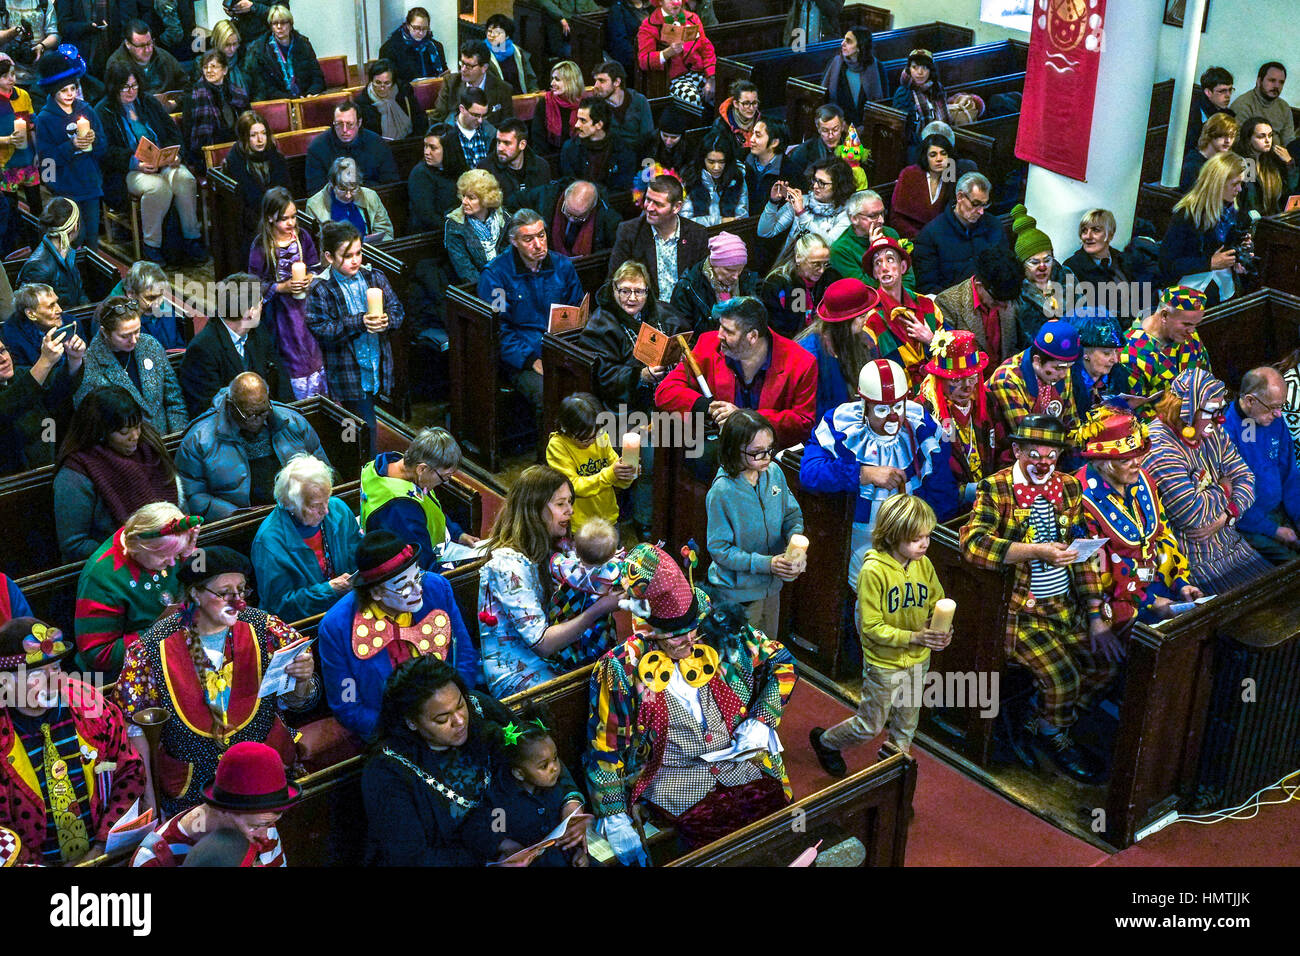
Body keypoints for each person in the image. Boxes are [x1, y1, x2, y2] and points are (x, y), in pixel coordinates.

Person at [586, 543, 792, 862]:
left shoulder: (718, 630)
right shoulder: (622, 668)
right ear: (650, 631)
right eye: (676, 637)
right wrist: (614, 816)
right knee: (717, 844)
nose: (690, 641)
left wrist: (761, 720)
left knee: (775, 819)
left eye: (693, 629)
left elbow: (782, 662)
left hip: (736, 763)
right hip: (671, 777)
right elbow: (605, 745)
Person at [959, 413, 1116, 783]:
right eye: (1034, 455)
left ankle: (1038, 719)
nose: (1043, 464)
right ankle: (1052, 735)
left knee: (1106, 664)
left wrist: (1096, 613)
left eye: (1051, 456)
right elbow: (972, 544)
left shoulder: (1069, 489)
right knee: (1064, 679)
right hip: (1019, 613)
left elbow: (1084, 554)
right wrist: (1034, 551)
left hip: (1063, 607)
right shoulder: (995, 488)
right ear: (1016, 450)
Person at [116, 546, 317, 817]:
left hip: (267, 779)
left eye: (242, 590)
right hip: (194, 795)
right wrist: (151, 806)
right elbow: (137, 733)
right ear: (195, 594)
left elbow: (300, 701)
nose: (238, 602)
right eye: (224, 593)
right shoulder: (150, 650)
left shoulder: (267, 629)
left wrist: (303, 682)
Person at [809, 494, 949, 776]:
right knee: (870, 725)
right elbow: (872, 628)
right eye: (916, 538)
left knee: (906, 727)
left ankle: (891, 782)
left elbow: (937, 602)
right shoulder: (873, 571)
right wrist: (915, 637)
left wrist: (942, 630)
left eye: (927, 536)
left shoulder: (924, 564)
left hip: (918, 660)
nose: (924, 544)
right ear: (893, 535)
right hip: (884, 662)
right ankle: (826, 741)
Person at [801, 357, 958, 589]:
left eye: (898, 406)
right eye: (882, 409)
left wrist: (928, 535)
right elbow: (809, 472)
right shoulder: (840, 426)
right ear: (864, 404)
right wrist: (863, 474)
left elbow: (942, 487)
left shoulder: (923, 427)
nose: (893, 417)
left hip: (911, 539)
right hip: (861, 538)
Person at [0, 617, 145, 866]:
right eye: (36, 674)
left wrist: (100, 848)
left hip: (104, 857)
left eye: (55, 668)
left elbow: (130, 773)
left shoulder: (93, 707)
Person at [477, 465, 625, 698]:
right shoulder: (507, 566)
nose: (570, 511)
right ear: (534, 510)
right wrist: (599, 609)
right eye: (561, 504)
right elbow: (542, 643)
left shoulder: (552, 546)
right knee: (603, 692)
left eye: (570, 502)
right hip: (519, 672)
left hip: (555, 658)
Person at [319, 531, 479, 741]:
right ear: (376, 593)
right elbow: (348, 705)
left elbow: (464, 655)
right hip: (390, 734)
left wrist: (456, 708)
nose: (418, 590)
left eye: (418, 576)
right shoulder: (336, 628)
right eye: (404, 586)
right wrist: (405, 732)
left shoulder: (436, 588)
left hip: (455, 716)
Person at [361, 655, 514, 866]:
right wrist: (491, 860)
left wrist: (570, 803)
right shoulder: (386, 770)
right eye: (442, 719)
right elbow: (411, 858)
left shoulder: (478, 707)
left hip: (513, 841)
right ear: (412, 722)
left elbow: (535, 750)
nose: (460, 721)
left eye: (460, 705)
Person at [1144, 368, 1272, 594]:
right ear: (1186, 410)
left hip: (1233, 544)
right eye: (1212, 411)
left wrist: (1227, 515)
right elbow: (1195, 517)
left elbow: (1247, 478)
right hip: (1195, 564)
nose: (1220, 418)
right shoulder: (1159, 448)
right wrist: (1225, 487)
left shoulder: (1213, 432)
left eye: (1221, 410)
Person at [1075, 406, 1201, 633]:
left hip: (1158, 583)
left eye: (1139, 455)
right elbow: (1095, 570)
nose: (1138, 464)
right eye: (1126, 461)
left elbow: (1163, 534)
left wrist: (1180, 582)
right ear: (1102, 462)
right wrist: (1151, 601)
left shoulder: (1143, 479)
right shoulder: (1079, 499)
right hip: (1114, 599)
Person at [656, 296, 819, 449]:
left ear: (753, 336)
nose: (719, 335)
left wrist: (745, 419)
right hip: (724, 447)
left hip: (768, 451)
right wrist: (709, 408)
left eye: (728, 331)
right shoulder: (708, 343)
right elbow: (665, 391)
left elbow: (803, 423)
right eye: (720, 326)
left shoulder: (802, 362)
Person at [705, 409, 804, 638]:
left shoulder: (774, 473)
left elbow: (792, 515)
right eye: (757, 453)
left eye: (770, 449)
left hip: (772, 588)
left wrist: (794, 545)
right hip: (738, 595)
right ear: (733, 450)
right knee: (743, 661)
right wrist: (766, 564)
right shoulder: (722, 492)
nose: (767, 458)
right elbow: (720, 550)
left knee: (769, 651)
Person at [54, 385, 181, 562]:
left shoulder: (149, 445)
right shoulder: (74, 475)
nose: (135, 436)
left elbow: (178, 502)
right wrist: (135, 551)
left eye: (137, 427)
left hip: (166, 553)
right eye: (124, 432)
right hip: (116, 566)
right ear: (101, 433)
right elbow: (74, 545)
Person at [73, 503, 202, 676]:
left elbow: (204, 583)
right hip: (127, 674)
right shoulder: (102, 577)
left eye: (177, 555)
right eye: (163, 557)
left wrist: (189, 555)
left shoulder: (169, 547)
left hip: (176, 648)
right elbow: (97, 654)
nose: (172, 563)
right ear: (136, 548)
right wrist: (160, 630)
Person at [97, 58, 203, 266]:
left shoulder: (148, 102)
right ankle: (151, 246)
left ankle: (192, 238)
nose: (131, 91)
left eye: (134, 85)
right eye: (125, 87)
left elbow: (173, 133)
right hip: (128, 170)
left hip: (160, 162)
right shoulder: (103, 111)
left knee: (185, 178)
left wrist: (174, 154)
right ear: (114, 87)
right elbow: (105, 152)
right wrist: (133, 162)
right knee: (157, 188)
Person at [177, 372, 325, 520]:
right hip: (238, 525)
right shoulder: (198, 440)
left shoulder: (293, 422)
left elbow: (322, 469)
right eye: (250, 414)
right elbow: (193, 496)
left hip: (296, 512)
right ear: (231, 405)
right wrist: (238, 516)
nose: (258, 420)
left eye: (263, 412)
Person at [477, 209, 584, 409]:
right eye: (528, 239)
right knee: (548, 394)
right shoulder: (495, 276)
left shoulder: (563, 266)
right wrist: (530, 360)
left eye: (541, 235)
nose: (538, 245)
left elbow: (576, 308)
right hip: (521, 358)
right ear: (514, 241)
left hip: (561, 348)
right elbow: (499, 329)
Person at [131, 740, 299, 866]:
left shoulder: (263, 826)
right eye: (255, 826)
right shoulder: (151, 859)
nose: (265, 836)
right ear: (222, 809)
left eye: (269, 823)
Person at [461, 703, 589, 866]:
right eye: (544, 766)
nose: (555, 768)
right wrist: (505, 844)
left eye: (555, 758)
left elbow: (570, 833)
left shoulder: (556, 788)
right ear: (519, 773)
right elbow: (493, 832)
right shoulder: (502, 803)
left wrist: (579, 852)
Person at [305, 220, 404, 428]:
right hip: (347, 373)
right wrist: (359, 322)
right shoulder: (321, 288)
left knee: (369, 422)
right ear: (329, 257)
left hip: (378, 366)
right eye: (347, 256)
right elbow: (321, 330)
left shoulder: (374, 277)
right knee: (361, 428)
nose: (355, 260)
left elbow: (397, 310)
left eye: (358, 253)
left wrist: (387, 320)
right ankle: (364, 459)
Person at [252, 453, 362, 623]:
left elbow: (359, 558)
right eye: (315, 506)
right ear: (290, 504)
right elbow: (279, 606)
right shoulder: (269, 542)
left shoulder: (338, 509)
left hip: (351, 608)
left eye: (327, 499)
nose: (326, 510)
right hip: (308, 624)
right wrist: (328, 590)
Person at [361, 426, 480, 569]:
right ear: (422, 469)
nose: (445, 482)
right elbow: (424, 567)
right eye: (444, 477)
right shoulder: (401, 509)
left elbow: (428, 505)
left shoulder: (392, 462)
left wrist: (457, 533)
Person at [249, 187, 327, 400]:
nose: (291, 223)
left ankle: (319, 394)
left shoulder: (301, 237)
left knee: (313, 347)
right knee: (291, 350)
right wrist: (282, 287)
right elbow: (254, 284)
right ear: (270, 218)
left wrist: (309, 278)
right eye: (285, 218)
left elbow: (315, 267)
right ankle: (299, 397)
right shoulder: (261, 245)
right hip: (280, 312)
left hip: (306, 305)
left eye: (293, 216)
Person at [581, 259, 690, 412]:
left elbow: (687, 342)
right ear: (614, 289)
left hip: (672, 392)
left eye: (638, 291)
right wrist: (641, 376)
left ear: (647, 291)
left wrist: (682, 356)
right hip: (628, 407)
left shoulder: (662, 312)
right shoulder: (600, 326)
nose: (632, 298)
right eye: (625, 291)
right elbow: (603, 377)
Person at [179, 274, 288, 419]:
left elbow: (280, 378)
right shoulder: (202, 350)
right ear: (250, 312)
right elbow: (208, 410)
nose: (262, 306)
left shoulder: (258, 331)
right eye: (260, 302)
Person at [75, 296, 187, 434]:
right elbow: (93, 421)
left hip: (165, 439)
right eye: (125, 336)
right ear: (104, 332)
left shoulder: (150, 344)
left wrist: (177, 437)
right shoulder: (90, 363)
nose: (134, 340)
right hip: (126, 447)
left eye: (137, 331)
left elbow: (174, 398)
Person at [1224, 367, 1300, 565]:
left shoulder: (1274, 421)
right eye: (1272, 407)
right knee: (1293, 569)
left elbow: (1289, 473)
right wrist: (1273, 530)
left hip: (1280, 509)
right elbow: (1232, 502)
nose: (1278, 414)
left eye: (1281, 406)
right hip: (1250, 523)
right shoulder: (1226, 432)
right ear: (1250, 400)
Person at [34, 47, 107, 250]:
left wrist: (94, 141)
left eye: (73, 89)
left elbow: (103, 147)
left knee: (92, 239)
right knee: (73, 240)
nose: (70, 94)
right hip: (65, 188)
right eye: (63, 91)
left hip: (89, 185)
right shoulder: (45, 119)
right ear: (53, 91)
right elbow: (46, 162)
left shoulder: (87, 110)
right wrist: (70, 145)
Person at [917, 329, 993, 507]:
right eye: (957, 380)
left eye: (972, 377)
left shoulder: (988, 401)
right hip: (948, 507)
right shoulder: (925, 413)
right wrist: (965, 492)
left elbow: (1003, 448)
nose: (967, 387)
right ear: (939, 379)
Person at [1159, 151, 1249, 300]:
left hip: (1224, 289)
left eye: (1241, 183)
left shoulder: (1232, 211)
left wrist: (1239, 257)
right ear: (1217, 184)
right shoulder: (1187, 214)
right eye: (1235, 184)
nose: (1239, 189)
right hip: (1190, 291)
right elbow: (1168, 264)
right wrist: (1209, 263)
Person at [608, 173, 709, 304]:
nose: (649, 208)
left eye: (658, 204)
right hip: (645, 311)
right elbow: (613, 281)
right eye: (648, 200)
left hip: (685, 312)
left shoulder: (696, 234)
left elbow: (702, 284)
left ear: (676, 207)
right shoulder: (629, 232)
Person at [989, 320, 1084, 457]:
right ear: (1037, 360)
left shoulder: (1062, 370)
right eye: (1058, 368)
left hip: (1052, 453)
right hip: (1014, 456)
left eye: (1068, 368)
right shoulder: (1007, 379)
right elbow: (1028, 437)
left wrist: (1076, 459)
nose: (1064, 374)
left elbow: (1071, 422)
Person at [0, 320, 85, 475]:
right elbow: (8, 406)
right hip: (12, 480)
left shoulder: (21, 374)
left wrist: (74, 359)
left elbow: (58, 391)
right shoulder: (29, 378)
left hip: (49, 465)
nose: (3, 359)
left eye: (2, 351)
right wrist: (45, 361)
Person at [546, 392, 636, 533]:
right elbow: (572, 487)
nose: (592, 441)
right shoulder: (558, 445)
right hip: (579, 525)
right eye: (584, 439)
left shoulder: (600, 437)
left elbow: (618, 481)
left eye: (595, 435)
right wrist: (611, 474)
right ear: (565, 429)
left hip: (608, 519)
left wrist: (627, 474)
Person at [862, 233, 943, 385]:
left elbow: (951, 353)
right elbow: (872, 373)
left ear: (903, 267)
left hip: (937, 390)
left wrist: (931, 340)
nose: (884, 268)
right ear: (874, 273)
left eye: (890, 259)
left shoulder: (927, 305)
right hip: (899, 399)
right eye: (877, 263)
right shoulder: (871, 320)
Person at [793, 276, 876, 422]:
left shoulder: (864, 341)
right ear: (845, 321)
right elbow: (810, 413)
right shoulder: (809, 354)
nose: (867, 319)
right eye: (862, 316)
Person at [1120, 285, 1212, 416]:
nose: (1192, 331)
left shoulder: (1188, 334)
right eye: (1187, 324)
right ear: (1164, 315)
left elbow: (1206, 378)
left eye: (1195, 325)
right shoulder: (1130, 354)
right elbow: (1134, 414)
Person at [912, 171, 1008, 294]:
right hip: (952, 305)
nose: (981, 211)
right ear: (960, 197)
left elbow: (1005, 267)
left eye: (985, 204)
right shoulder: (931, 235)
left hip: (992, 297)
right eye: (976, 204)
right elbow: (927, 287)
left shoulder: (994, 225)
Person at [931, 244, 1023, 367]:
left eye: (1007, 303)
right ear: (980, 285)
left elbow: (1018, 345)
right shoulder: (948, 303)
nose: (1004, 307)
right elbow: (948, 356)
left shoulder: (1009, 293)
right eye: (996, 302)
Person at [757, 156, 853, 261]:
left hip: (820, 269)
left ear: (839, 186)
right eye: (815, 180)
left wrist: (801, 213)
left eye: (822, 183)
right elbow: (765, 232)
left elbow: (829, 244)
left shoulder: (846, 213)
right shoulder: (802, 201)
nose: (815, 186)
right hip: (788, 266)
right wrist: (773, 202)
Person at [1009, 204, 1073, 350]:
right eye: (1034, 262)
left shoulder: (1066, 275)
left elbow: (1082, 312)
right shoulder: (1017, 292)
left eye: (1047, 259)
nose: (1043, 267)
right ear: (1022, 264)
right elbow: (1023, 337)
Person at [672, 229, 762, 333]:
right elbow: (682, 335)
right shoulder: (688, 287)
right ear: (713, 264)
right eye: (729, 270)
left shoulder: (748, 279)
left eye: (740, 269)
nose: (736, 277)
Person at [304, 99, 399, 195]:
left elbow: (390, 183)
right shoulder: (317, 148)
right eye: (339, 124)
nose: (344, 130)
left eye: (350, 124)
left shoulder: (377, 143)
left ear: (359, 122)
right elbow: (315, 191)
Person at [224, 109, 291, 238]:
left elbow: (286, 193)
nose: (260, 140)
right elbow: (240, 209)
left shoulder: (277, 158)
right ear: (245, 138)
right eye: (253, 135)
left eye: (263, 133)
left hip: (280, 219)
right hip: (249, 227)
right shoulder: (234, 162)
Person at [827, 188, 910, 288]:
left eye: (882, 213)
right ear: (854, 218)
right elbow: (866, 290)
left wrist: (902, 296)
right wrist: (875, 252)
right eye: (873, 216)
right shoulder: (841, 250)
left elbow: (908, 277)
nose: (881, 220)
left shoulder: (890, 233)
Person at [759, 233, 838, 338]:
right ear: (798, 258)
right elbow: (781, 329)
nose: (821, 270)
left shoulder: (830, 276)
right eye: (816, 264)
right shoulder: (780, 284)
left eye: (825, 264)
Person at [182, 49, 249, 173]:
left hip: (236, 147)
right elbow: (187, 129)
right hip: (205, 153)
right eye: (205, 67)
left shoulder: (236, 92)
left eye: (213, 67)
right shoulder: (193, 94)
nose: (208, 71)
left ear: (224, 70)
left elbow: (247, 121)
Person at [0, 52, 39, 261]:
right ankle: (15, 247)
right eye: (5, 76)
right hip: (6, 163)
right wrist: (7, 141)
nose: (11, 79)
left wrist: (37, 152)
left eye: (12, 74)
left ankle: (39, 242)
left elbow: (32, 124)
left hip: (26, 158)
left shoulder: (23, 96)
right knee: (11, 208)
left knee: (36, 203)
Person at [16, 200, 88, 309]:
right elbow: (33, 311)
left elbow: (79, 292)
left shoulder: (67, 252)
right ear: (75, 227)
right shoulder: (38, 267)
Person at [444, 168, 509, 286]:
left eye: (471, 197)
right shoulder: (455, 226)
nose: (464, 201)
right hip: (479, 289)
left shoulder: (504, 219)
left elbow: (511, 258)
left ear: (486, 199)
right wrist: (491, 287)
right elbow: (466, 271)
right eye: (463, 196)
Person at [2, 281, 86, 371]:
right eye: (51, 306)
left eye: (57, 302)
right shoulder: (11, 337)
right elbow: (25, 380)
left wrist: (76, 358)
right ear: (31, 314)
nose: (60, 310)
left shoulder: (71, 322)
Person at [305, 156, 394, 242]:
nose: (348, 195)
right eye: (342, 189)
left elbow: (386, 233)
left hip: (370, 252)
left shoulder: (371, 196)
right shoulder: (314, 205)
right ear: (332, 184)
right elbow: (317, 244)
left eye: (353, 189)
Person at [246, 4, 324, 100]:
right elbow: (266, 88)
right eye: (275, 23)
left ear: (290, 25)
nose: (279, 27)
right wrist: (292, 100)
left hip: (306, 98)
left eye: (283, 23)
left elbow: (317, 77)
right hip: (280, 102)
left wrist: (310, 94)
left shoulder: (303, 44)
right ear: (271, 26)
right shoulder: (261, 50)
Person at [528, 178, 621, 256]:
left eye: (579, 217)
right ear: (564, 198)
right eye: (567, 213)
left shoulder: (609, 219)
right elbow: (515, 202)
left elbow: (612, 252)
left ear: (592, 207)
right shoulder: (547, 195)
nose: (571, 219)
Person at [430, 40, 513, 128]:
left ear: (484, 68)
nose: (463, 69)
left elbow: (507, 126)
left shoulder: (503, 89)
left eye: (469, 66)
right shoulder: (451, 83)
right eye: (462, 63)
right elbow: (438, 118)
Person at [560, 96, 636, 192]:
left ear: (599, 125)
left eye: (583, 120)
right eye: (578, 119)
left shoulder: (623, 149)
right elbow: (569, 185)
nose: (577, 125)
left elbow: (622, 187)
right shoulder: (570, 148)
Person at [104, 21, 188, 107]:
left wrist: (175, 102)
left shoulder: (164, 57)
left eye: (149, 43)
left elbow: (186, 85)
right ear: (128, 44)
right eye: (141, 46)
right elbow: (114, 99)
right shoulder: (116, 64)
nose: (148, 50)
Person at [890, 133, 957, 239]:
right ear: (925, 157)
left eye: (943, 153)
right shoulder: (909, 174)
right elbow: (896, 219)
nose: (939, 159)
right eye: (933, 155)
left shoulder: (952, 177)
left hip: (940, 238)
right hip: (912, 237)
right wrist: (921, 237)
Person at [637, 0, 715, 87]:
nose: (676, 2)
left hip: (700, 73)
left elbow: (707, 49)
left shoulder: (693, 18)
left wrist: (711, 77)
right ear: (660, 2)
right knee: (692, 97)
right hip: (671, 81)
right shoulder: (649, 26)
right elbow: (643, 61)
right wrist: (667, 53)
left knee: (722, 89)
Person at [892, 49, 949, 166]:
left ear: (931, 71)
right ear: (909, 70)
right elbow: (904, 130)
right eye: (915, 67)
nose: (920, 72)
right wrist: (929, 145)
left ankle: (947, 183)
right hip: (916, 145)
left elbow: (945, 120)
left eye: (925, 68)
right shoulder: (904, 92)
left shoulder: (937, 88)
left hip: (940, 140)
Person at [1232, 116, 1298, 218]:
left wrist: (1289, 165)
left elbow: (1289, 194)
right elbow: (1250, 202)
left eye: (1270, 135)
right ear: (1249, 139)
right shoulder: (1244, 162)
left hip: (1273, 218)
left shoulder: (1273, 161)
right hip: (1255, 220)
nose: (1267, 140)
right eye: (1261, 136)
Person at [680, 130, 748, 227]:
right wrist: (720, 221)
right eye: (711, 162)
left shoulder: (737, 177)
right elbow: (685, 219)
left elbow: (742, 216)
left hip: (731, 234)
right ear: (703, 160)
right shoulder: (690, 178)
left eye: (721, 162)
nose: (716, 167)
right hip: (698, 235)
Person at [1072, 308, 1132, 418]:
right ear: (1084, 352)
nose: (1115, 359)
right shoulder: (1065, 382)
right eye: (1106, 353)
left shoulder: (1119, 377)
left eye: (1116, 352)